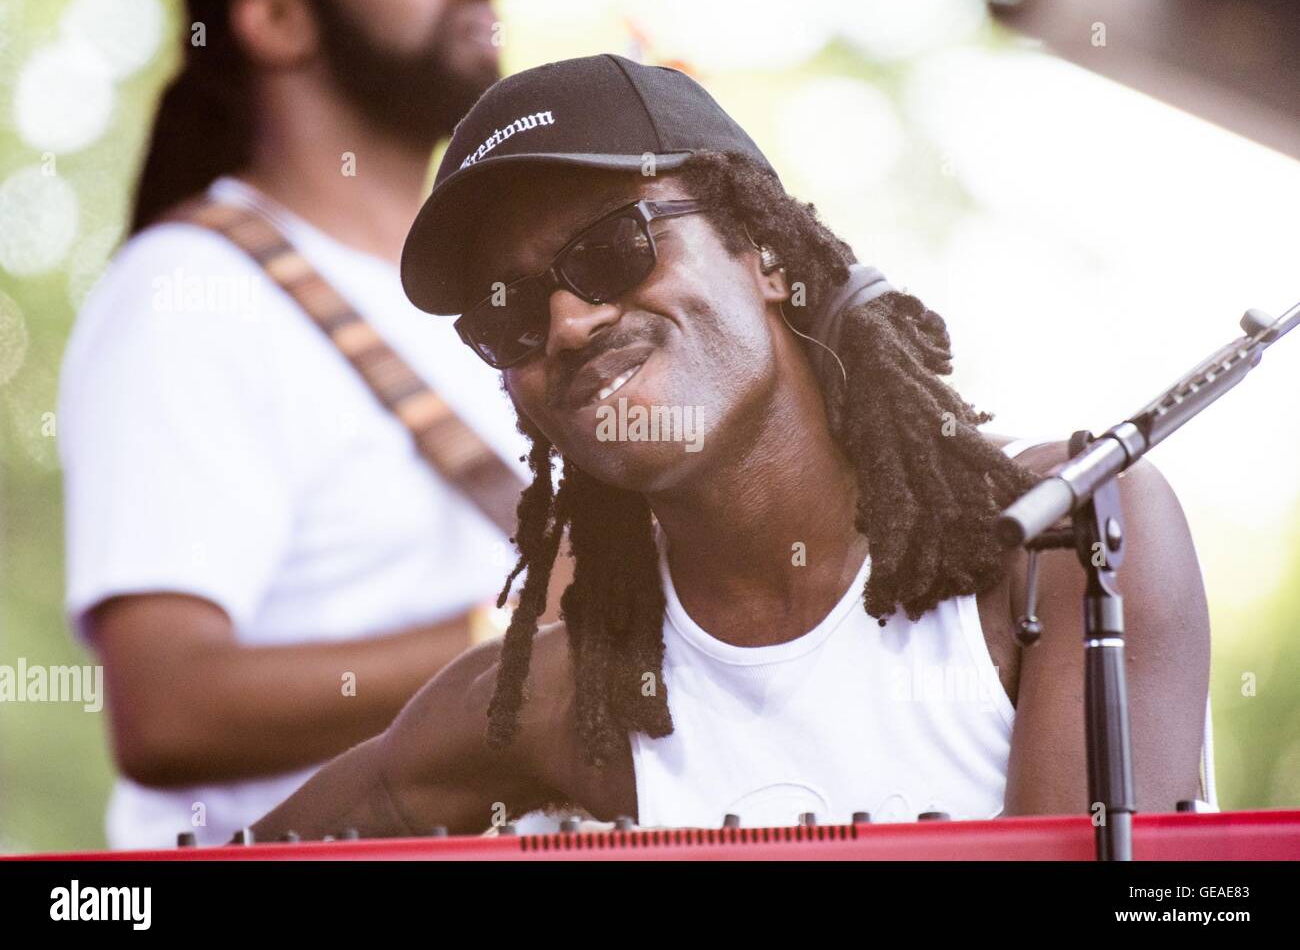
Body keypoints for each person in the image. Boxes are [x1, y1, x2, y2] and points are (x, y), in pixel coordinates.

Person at [251, 54, 1212, 838]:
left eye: (613, 250)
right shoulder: (569, 696)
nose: (571, 324)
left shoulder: (1062, 539)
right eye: (508, 316)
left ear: (769, 257)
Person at [58, 0, 529, 847]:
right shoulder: (187, 296)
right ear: (276, 18)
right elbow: (166, 711)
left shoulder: (517, 305)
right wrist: (520, 635)